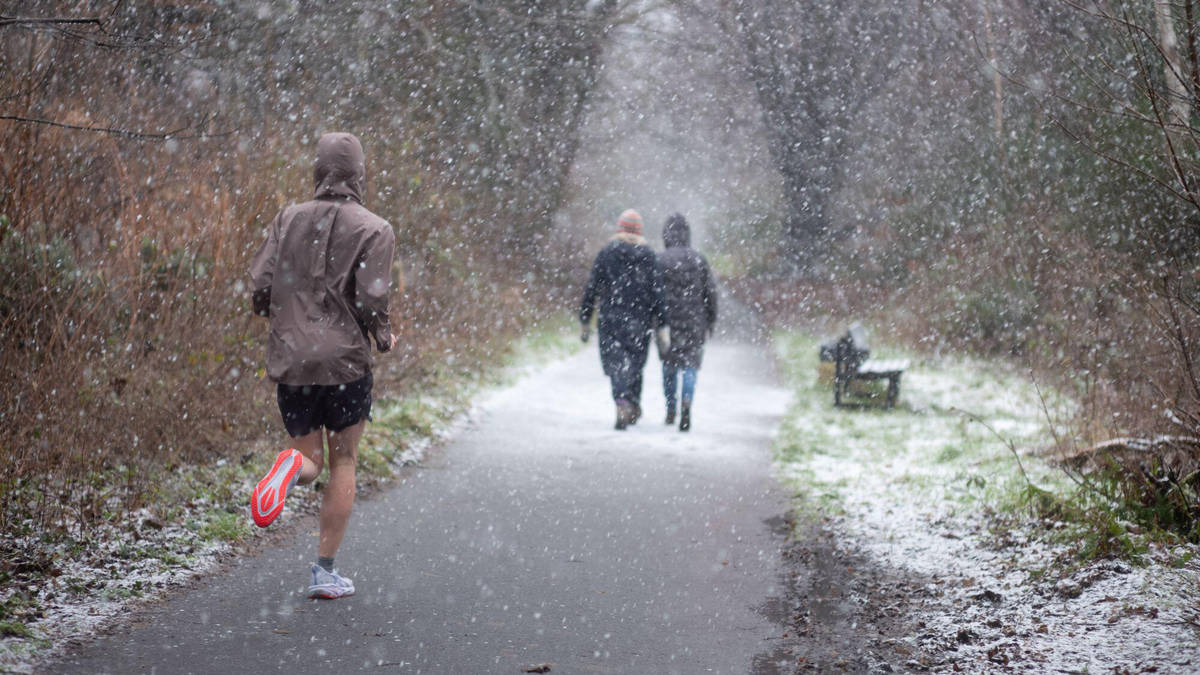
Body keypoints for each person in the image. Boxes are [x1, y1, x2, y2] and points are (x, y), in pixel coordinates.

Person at [247, 132, 396, 600]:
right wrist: (384, 335)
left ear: (318, 170)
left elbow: (261, 285)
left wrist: (284, 316)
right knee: (344, 460)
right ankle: (324, 572)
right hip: (346, 363)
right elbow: (372, 298)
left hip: (292, 359)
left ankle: (289, 465)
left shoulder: (287, 218)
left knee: (309, 459)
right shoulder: (375, 228)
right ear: (359, 174)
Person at [580, 209, 669, 430]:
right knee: (635, 365)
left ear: (619, 228)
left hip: (611, 317)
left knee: (616, 364)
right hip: (640, 320)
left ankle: (621, 400)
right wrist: (662, 324)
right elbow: (658, 292)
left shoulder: (607, 252)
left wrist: (585, 318)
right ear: (639, 231)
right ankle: (633, 403)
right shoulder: (649, 256)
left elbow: (592, 288)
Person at [656, 213, 717, 431]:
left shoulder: (660, 260)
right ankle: (687, 402)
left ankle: (671, 408)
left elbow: (655, 292)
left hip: (668, 322)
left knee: (669, 364)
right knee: (690, 364)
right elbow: (710, 293)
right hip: (694, 321)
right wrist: (710, 320)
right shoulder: (699, 259)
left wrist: (655, 318)